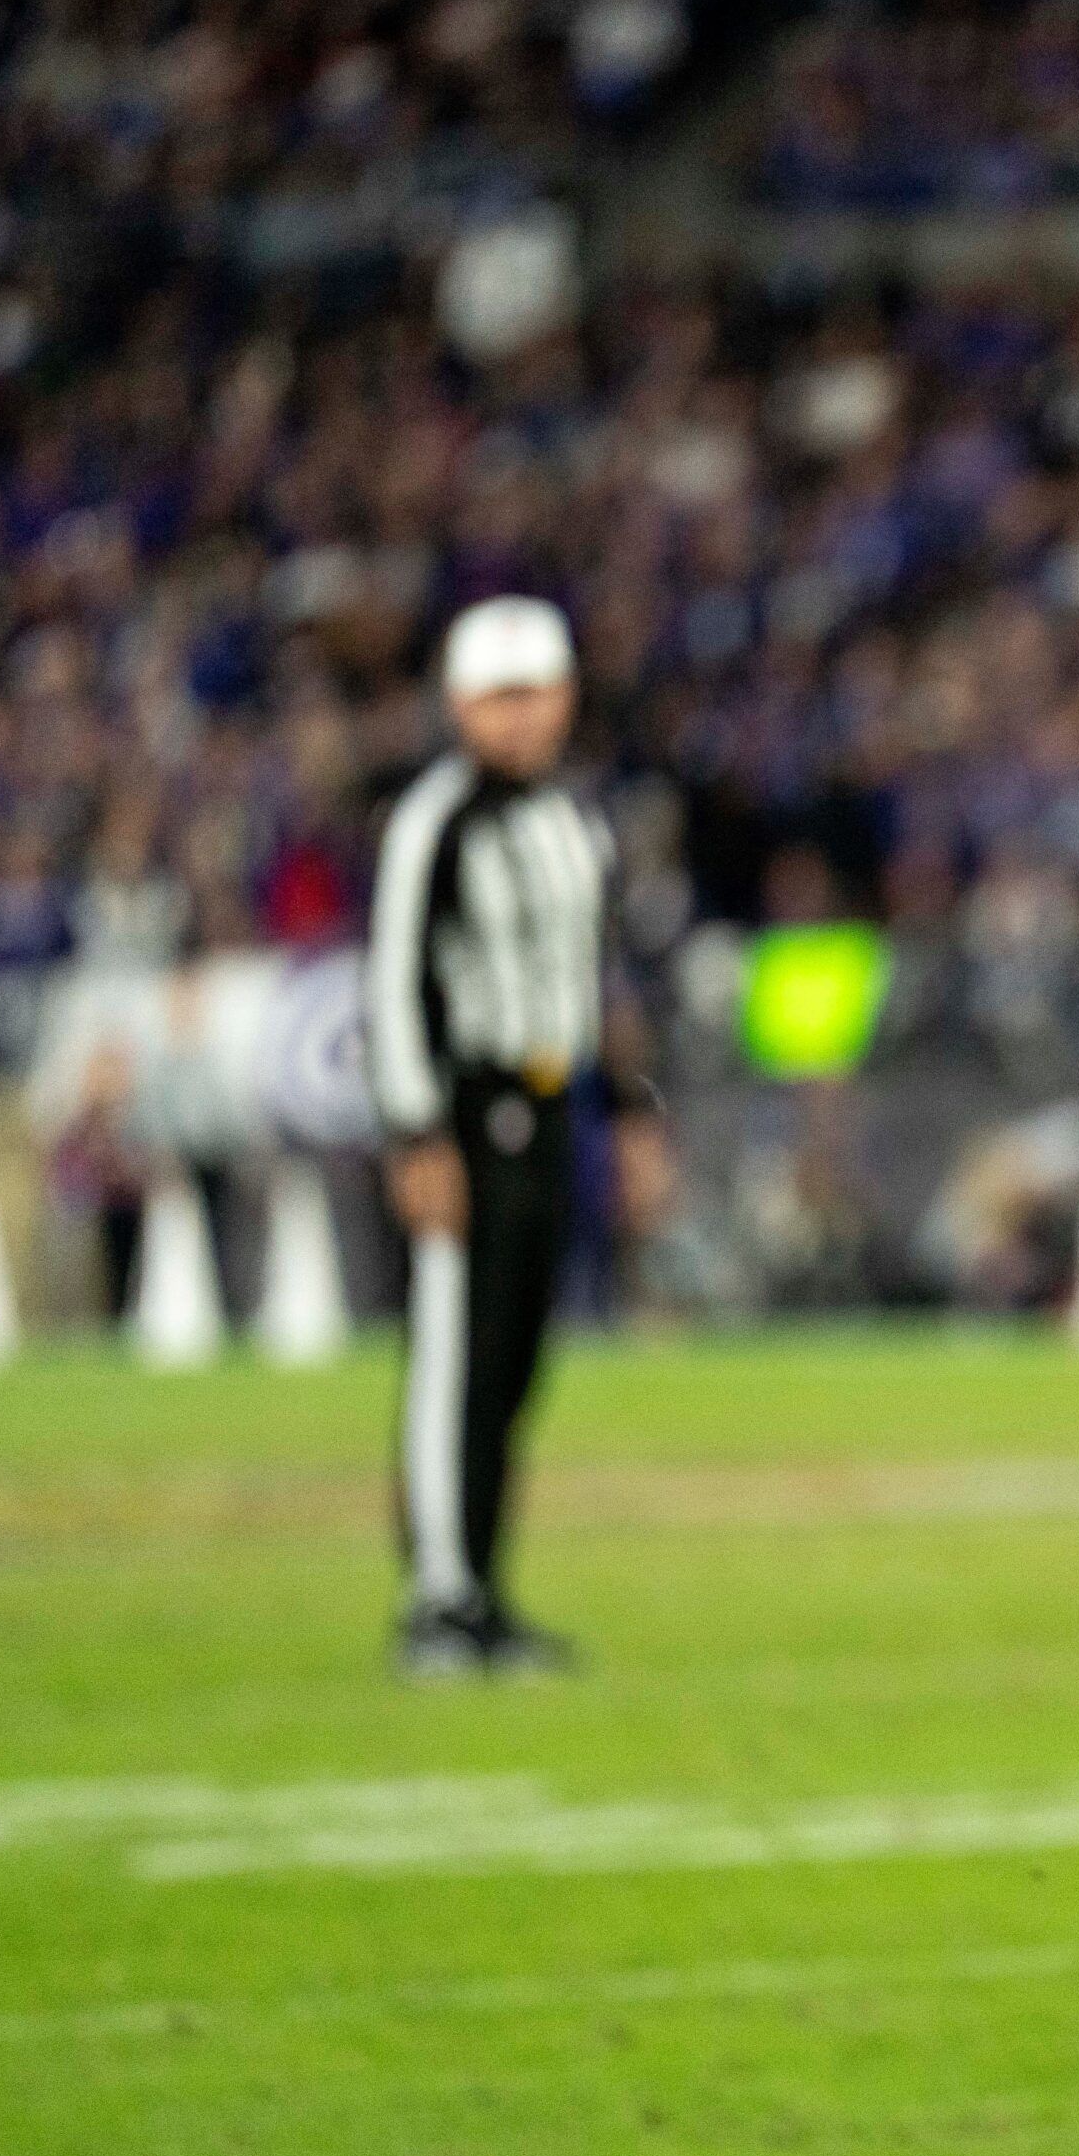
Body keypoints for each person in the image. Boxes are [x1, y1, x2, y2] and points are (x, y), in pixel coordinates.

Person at [364, 597, 672, 1677]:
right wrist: (414, 1133)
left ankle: (484, 1590)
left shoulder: (573, 822)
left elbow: (602, 983)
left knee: (513, 1364)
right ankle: (437, 1598)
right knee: (452, 1356)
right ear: (458, 705)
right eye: (497, 697)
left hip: (553, 1107)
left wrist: (632, 1114)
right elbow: (394, 984)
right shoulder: (430, 821)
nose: (518, 718)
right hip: (467, 1108)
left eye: (533, 693)